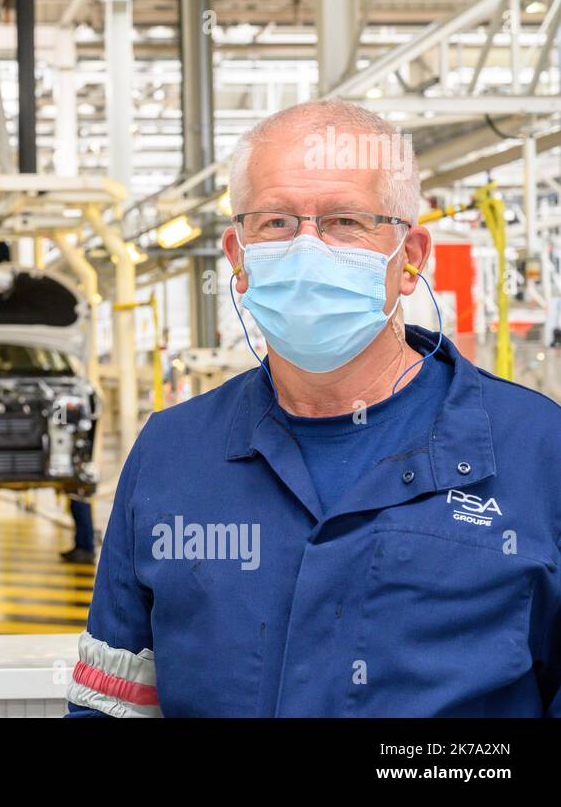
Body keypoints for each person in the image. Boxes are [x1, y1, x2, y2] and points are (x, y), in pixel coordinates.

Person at [69, 99, 561, 717]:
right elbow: (113, 701)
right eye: (276, 222)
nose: (307, 250)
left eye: (343, 221)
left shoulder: (538, 451)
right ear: (237, 257)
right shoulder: (171, 452)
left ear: (410, 258)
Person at [61, 496, 95, 564]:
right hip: (78, 493)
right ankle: (80, 547)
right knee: (76, 507)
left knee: (81, 509)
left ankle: (86, 550)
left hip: (82, 492)